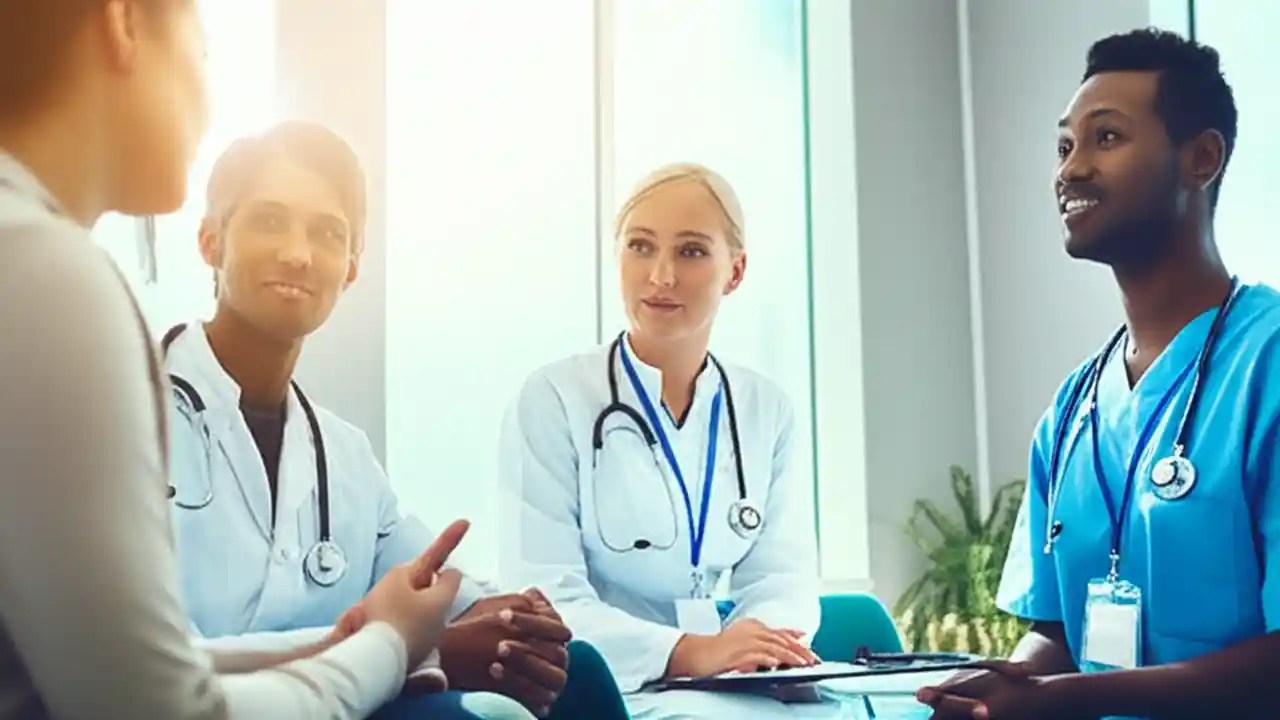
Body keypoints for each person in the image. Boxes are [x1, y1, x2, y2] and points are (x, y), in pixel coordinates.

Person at [0, 2, 471, 716]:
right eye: (203, 49)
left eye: (327, 233)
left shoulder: (29, 255)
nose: (297, 254)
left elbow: (128, 670)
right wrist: (386, 645)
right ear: (124, 21)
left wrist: (372, 633)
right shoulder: (43, 272)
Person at [917, 28, 1280, 720]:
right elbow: (1054, 635)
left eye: (1105, 139)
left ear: (1201, 158)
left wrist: (1067, 697)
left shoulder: (1269, 363)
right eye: (1063, 147)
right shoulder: (1073, 409)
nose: (1071, 170)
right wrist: (997, 691)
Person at [163, 121, 577, 720]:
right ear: (209, 240)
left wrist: (519, 620)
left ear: (352, 267)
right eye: (270, 221)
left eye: (328, 233)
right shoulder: (124, 416)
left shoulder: (344, 456)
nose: (298, 254)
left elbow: (436, 588)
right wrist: (413, 652)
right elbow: (145, 662)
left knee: (575, 671)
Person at [496, 162, 836, 719]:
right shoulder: (554, 399)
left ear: (736, 271)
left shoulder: (766, 409)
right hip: (607, 690)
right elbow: (546, 597)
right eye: (640, 246)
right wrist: (689, 652)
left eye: (692, 251)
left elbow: (782, 575)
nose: (661, 276)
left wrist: (763, 648)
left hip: (732, 686)